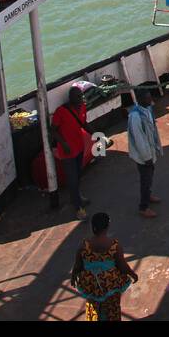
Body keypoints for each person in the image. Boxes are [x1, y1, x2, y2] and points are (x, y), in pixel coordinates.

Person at [71, 212, 137, 321]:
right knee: (112, 308)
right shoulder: (114, 245)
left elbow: (78, 265)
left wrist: (74, 277)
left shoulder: (84, 245)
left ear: (93, 228)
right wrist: (132, 274)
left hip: (91, 284)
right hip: (110, 284)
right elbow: (122, 266)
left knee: (92, 306)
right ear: (107, 227)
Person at [52, 82, 93, 218]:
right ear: (71, 98)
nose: (81, 99)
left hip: (79, 147)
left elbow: (83, 123)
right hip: (68, 152)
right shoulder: (61, 112)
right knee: (72, 178)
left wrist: (95, 132)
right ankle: (78, 208)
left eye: (81, 96)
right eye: (78, 97)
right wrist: (63, 144)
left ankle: (77, 197)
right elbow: (53, 130)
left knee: (79, 174)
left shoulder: (82, 108)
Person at [126, 86, 163, 218]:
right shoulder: (135, 116)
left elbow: (152, 129)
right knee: (145, 178)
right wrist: (146, 157)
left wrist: (157, 146)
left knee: (149, 175)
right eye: (147, 98)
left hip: (150, 150)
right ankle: (143, 206)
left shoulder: (147, 109)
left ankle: (148, 194)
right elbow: (139, 139)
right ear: (140, 99)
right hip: (143, 155)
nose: (150, 100)